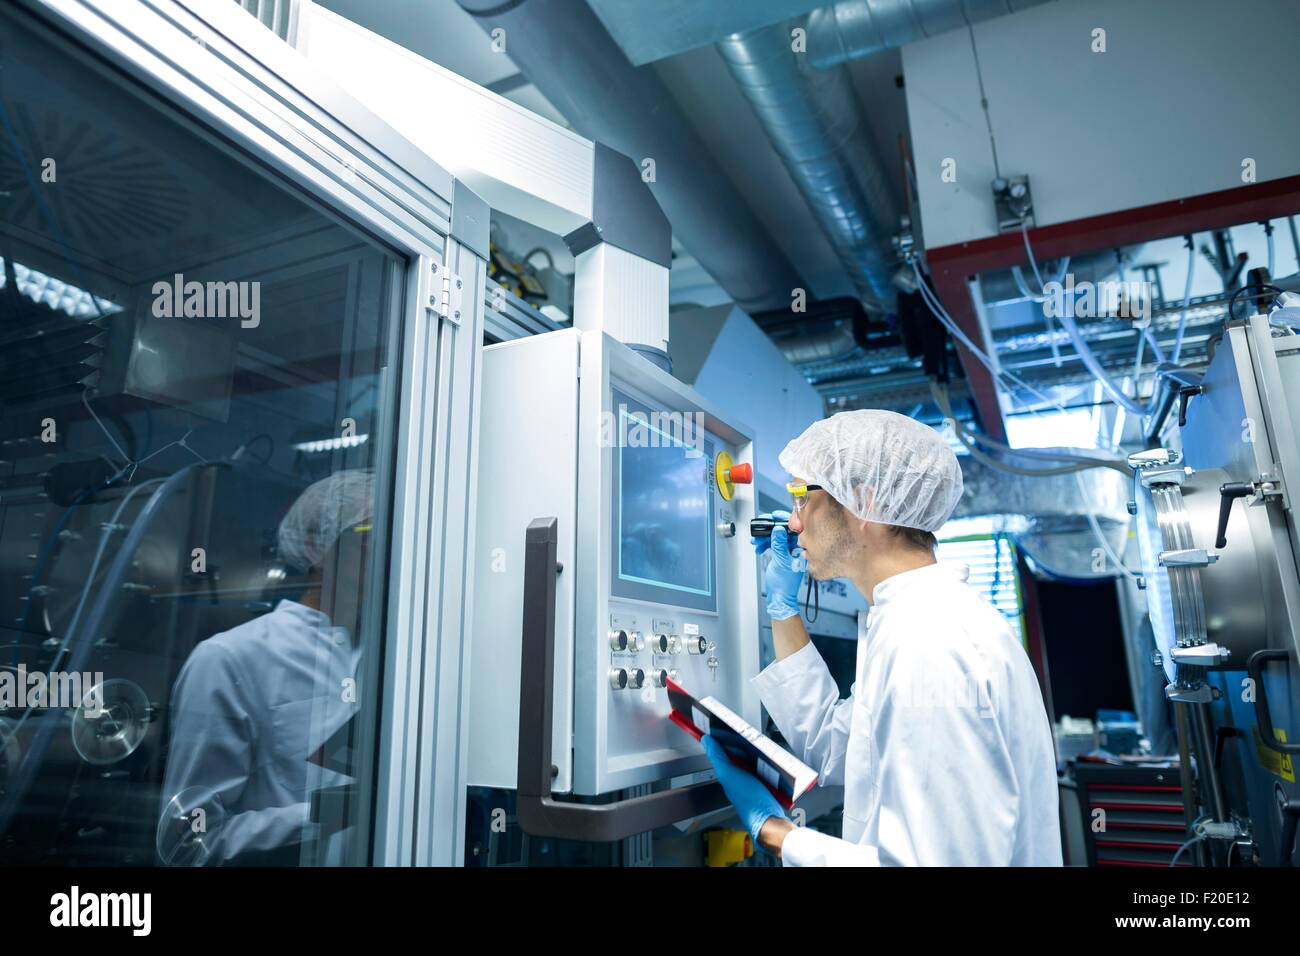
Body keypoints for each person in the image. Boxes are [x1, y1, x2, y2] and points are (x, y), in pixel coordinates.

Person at [702, 410, 1061, 866]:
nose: (793, 524)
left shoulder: (930, 641)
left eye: (801, 497)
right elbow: (837, 751)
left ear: (862, 500)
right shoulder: (915, 623)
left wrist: (778, 835)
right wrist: (784, 610)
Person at [159, 469, 373, 864]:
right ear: (317, 547)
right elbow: (187, 840)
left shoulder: (393, 658)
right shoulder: (229, 659)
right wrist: (323, 815)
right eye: (366, 537)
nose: (385, 554)